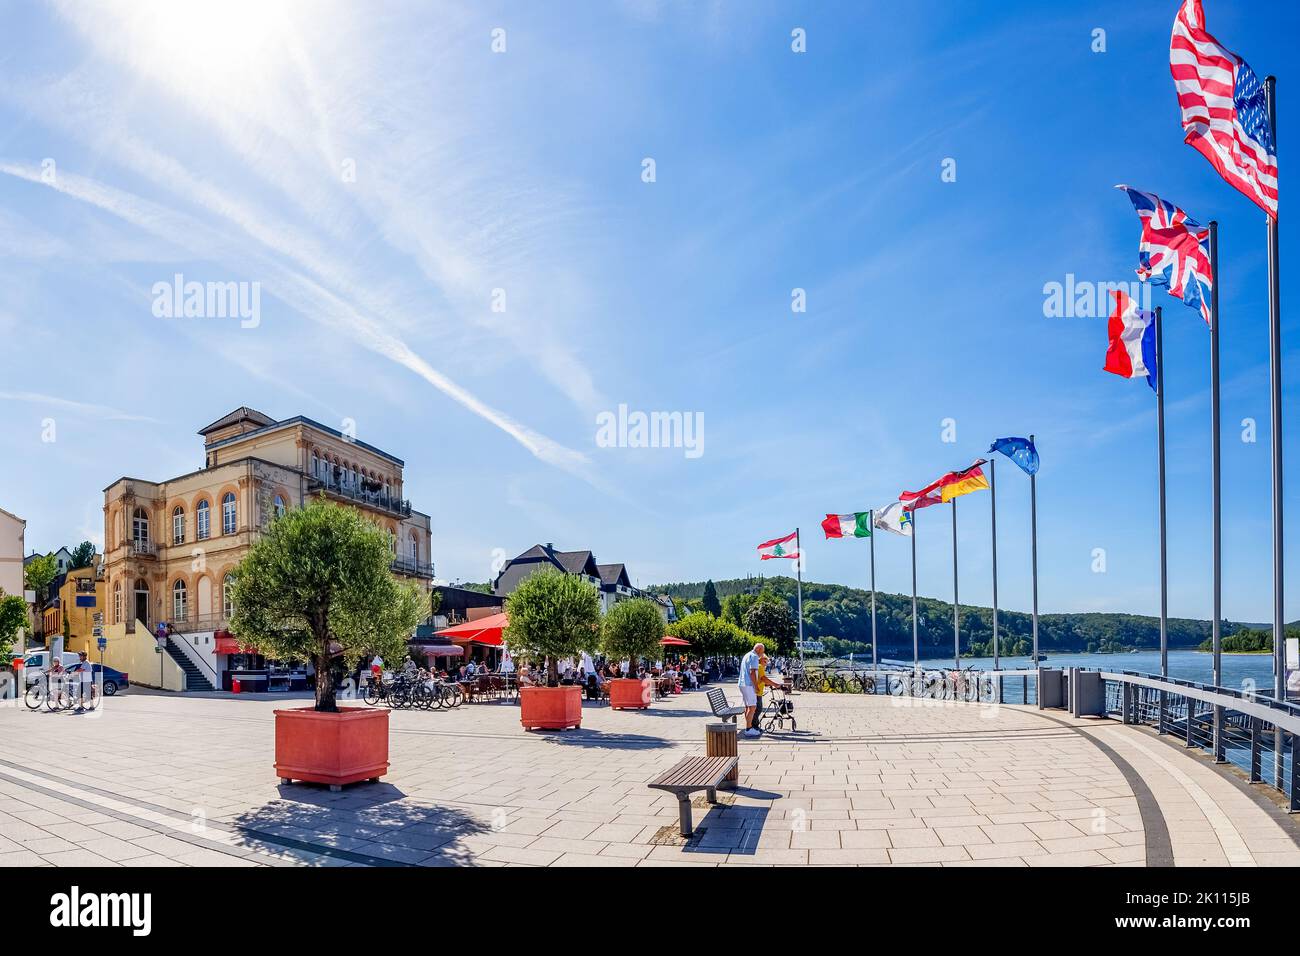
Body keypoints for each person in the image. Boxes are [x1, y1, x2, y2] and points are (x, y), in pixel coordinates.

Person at [737, 642, 763, 738]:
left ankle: (749, 727)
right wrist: (756, 686)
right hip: (748, 685)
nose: (762, 654)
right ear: (758, 650)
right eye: (762, 651)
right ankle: (748, 729)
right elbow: (752, 673)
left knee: (748, 706)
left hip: (742, 684)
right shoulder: (754, 657)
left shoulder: (747, 655)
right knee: (752, 707)